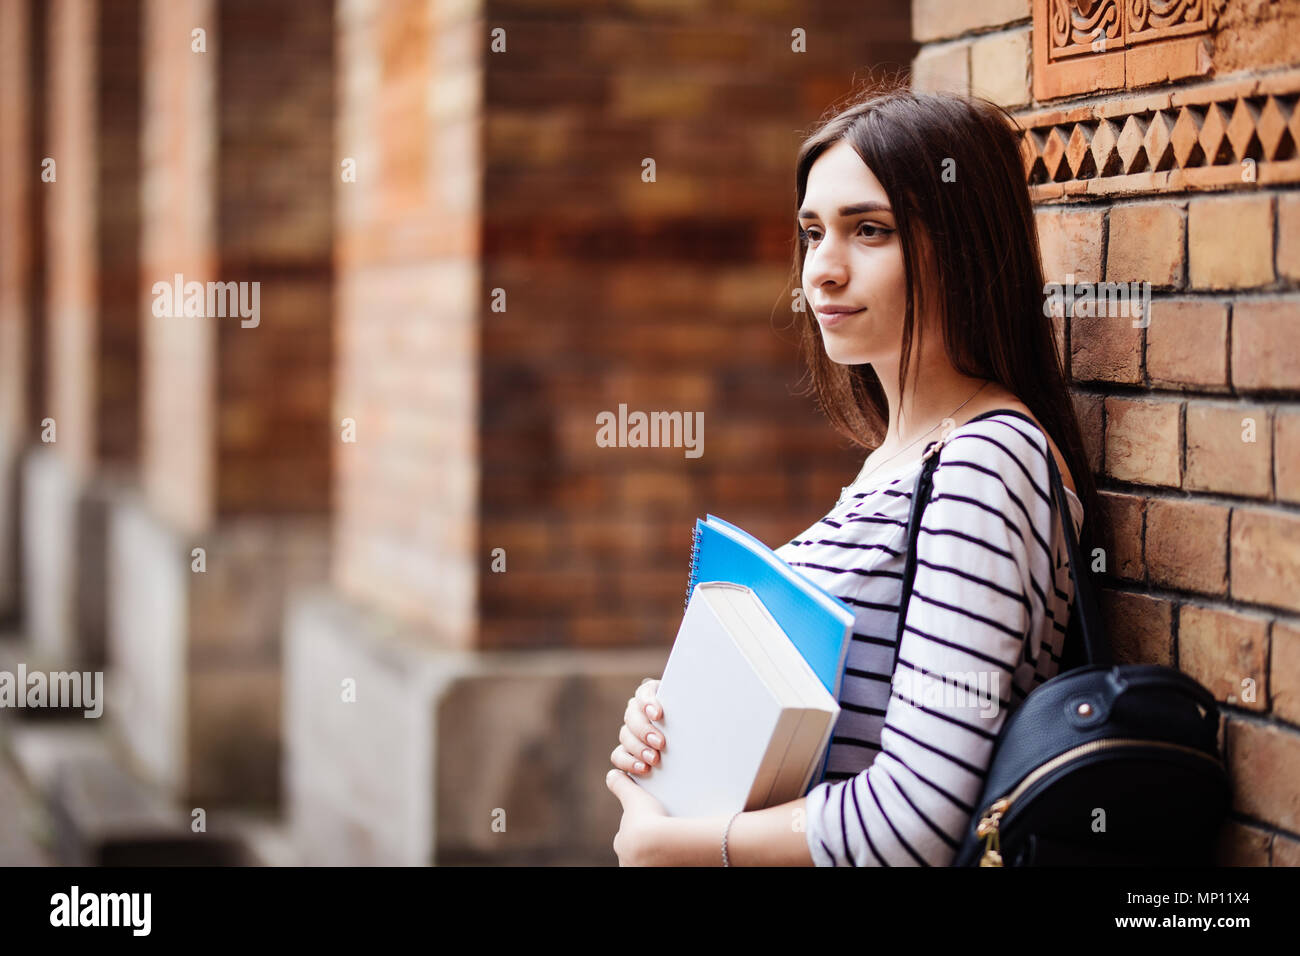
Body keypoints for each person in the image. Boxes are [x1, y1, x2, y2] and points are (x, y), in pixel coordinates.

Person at [604, 86, 1103, 866]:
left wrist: (686, 846)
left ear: (965, 244)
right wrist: (684, 727)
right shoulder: (898, 460)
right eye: (811, 234)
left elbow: (915, 820)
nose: (821, 272)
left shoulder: (984, 464)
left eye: (869, 231)